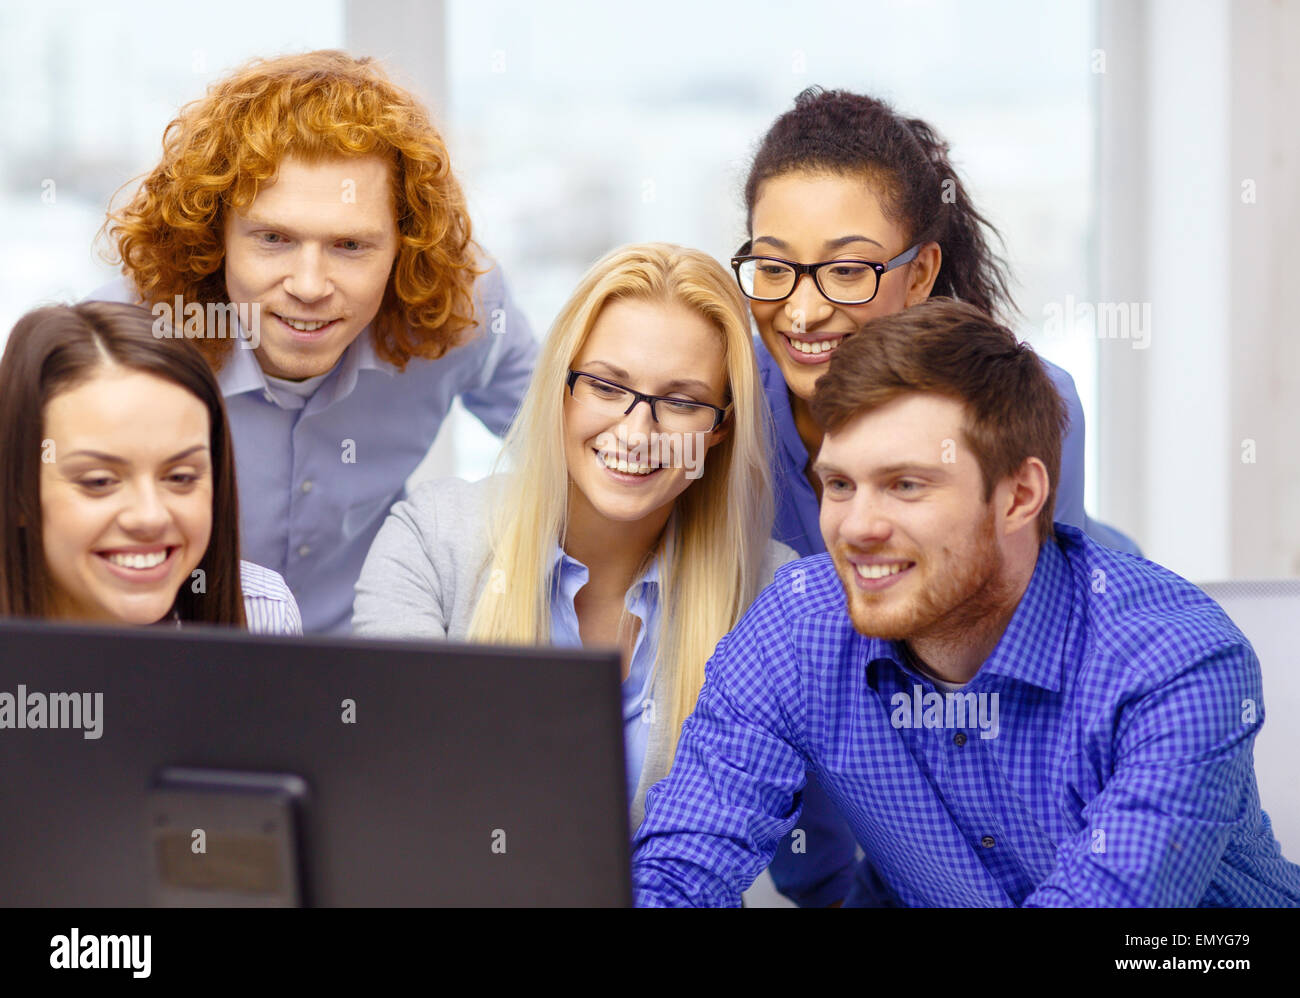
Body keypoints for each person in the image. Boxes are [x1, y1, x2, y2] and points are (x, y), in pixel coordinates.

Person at [631, 299, 1300, 907]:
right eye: (839, 484)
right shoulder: (798, 628)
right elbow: (682, 866)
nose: (857, 527)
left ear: (1019, 496)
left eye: (906, 484)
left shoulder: (1173, 660)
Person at [735, 86, 1138, 905]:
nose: (803, 308)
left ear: (919, 273)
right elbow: (803, 688)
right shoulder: (721, 408)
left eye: (847, 269)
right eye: (774, 267)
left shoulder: (1031, 406)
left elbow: (1006, 714)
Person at [92, 50, 537, 635]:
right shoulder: (130, 330)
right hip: (172, 660)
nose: (308, 287)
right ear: (214, 235)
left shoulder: (463, 307)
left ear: (404, 247)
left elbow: (568, 451)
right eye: (273, 238)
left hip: (367, 664)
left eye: (351, 246)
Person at [353, 243, 797, 823]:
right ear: (557, 389)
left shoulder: (774, 596)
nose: (637, 434)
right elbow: (396, 806)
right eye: (607, 387)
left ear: (720, 429)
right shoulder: (431, 542)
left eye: (681, 401)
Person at [0, 302, 300, 633]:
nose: (150, 517)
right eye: (99, 482)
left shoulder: (263, 616)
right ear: (16, 488)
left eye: (180, 477)